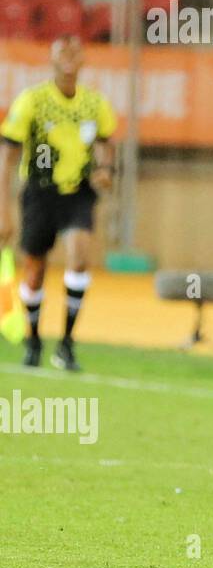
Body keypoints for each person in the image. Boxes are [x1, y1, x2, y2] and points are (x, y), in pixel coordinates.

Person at [0, 36, 116, 371]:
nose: (69, 57)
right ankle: (33, 339)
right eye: (62, 51)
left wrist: (106, 168)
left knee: (80, 257)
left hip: (77, 191)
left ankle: (66, 343)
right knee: (34, 270)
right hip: (39, 192)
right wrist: (4, 209)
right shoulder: (33, 102)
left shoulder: (94, 103)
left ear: (83, 60)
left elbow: (107, 142)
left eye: (75, 52)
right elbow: (7, 154)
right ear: (51, 59)